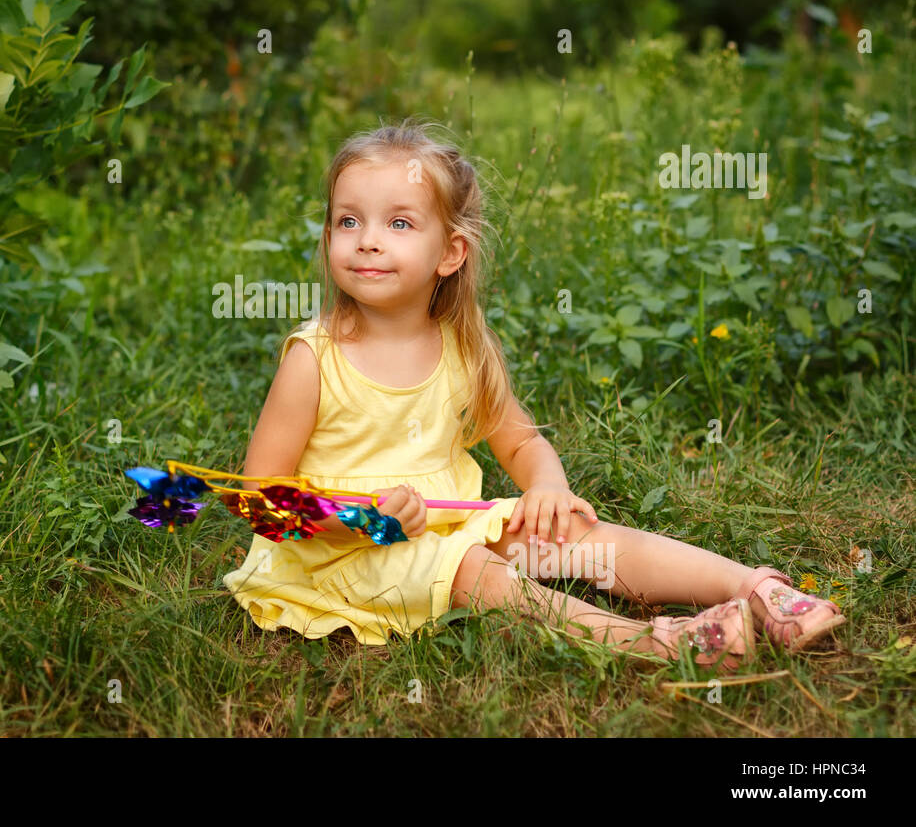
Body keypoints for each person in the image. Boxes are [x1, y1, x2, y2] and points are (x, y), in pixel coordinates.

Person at [222, 119, 844, 672]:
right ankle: (650, 643)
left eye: (400, 223)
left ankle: (759, 589)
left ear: (451, 253)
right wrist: (359, 523)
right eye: (348, 220)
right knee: (477, 574)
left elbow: (517, 437)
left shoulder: (461, 347)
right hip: (339, 555)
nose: (367, 239)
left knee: (568, 536)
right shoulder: (315, 359)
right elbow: (259, 499)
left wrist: (547, 485)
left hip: (444, 522)